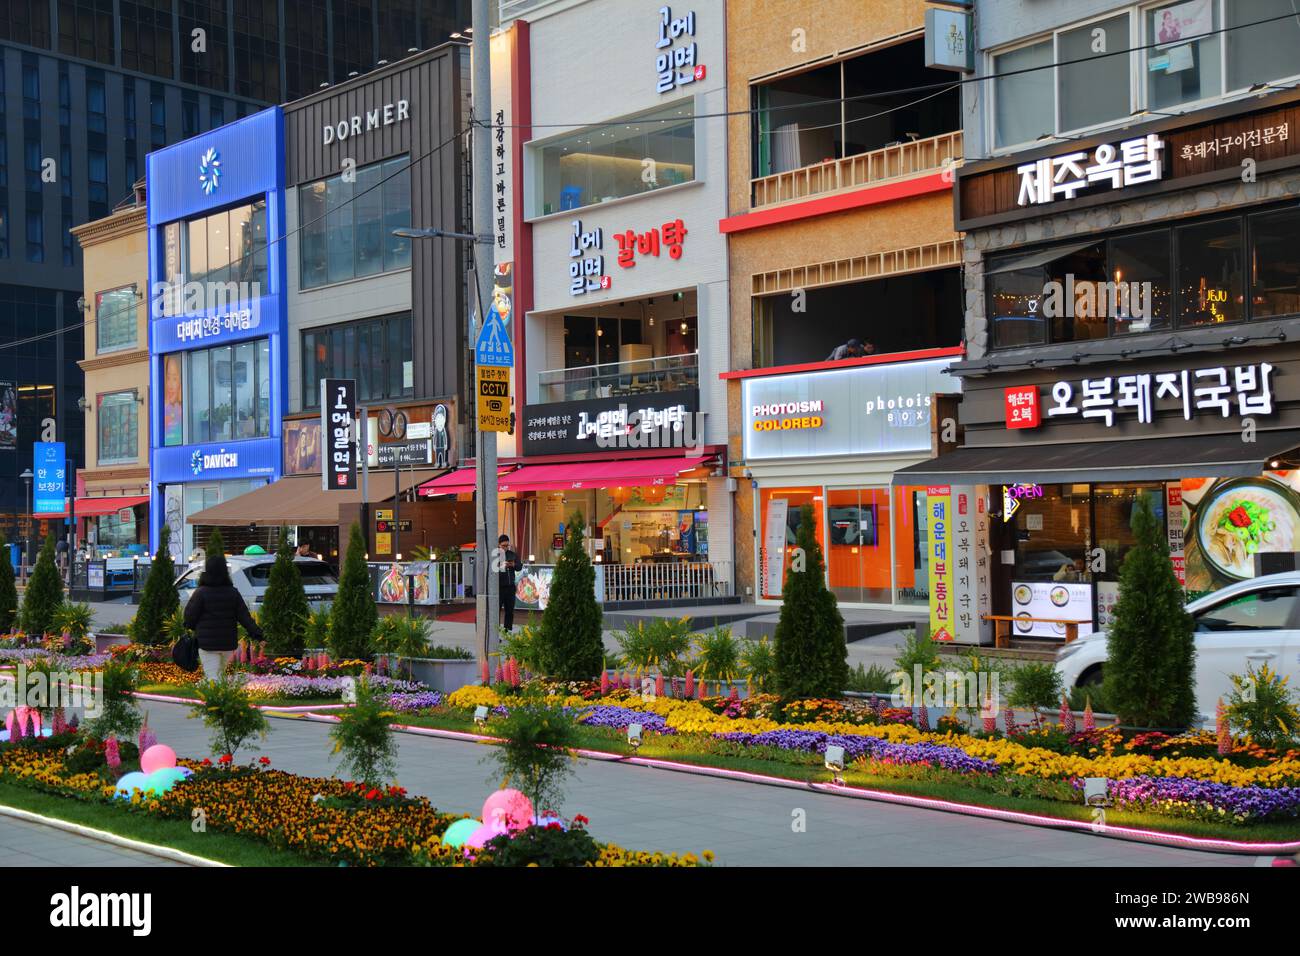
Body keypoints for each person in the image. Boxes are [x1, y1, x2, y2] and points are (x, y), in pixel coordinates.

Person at [184, 555, 263, 681]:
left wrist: (193, 628)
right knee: (220, 676)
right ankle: (222, 697)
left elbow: (189, 617)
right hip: (227, 643)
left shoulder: (201, 593)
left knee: (212, 677)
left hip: (207, 643)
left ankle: (215, 699)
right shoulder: (233, 592)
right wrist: (258, 635)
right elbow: (245, 618)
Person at [498, 533, 519, 632]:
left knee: (509, 610)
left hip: (510, 587)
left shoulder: (512, 554)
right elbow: (493, 570)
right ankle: (495, 631)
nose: (506, 548)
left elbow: (519, 567)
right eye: (503, 546)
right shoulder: (495, 554)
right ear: (499, 545)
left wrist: (513, 564)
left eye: (507, 545)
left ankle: (507, 630)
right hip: (499, 587)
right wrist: (503, 566)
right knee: (496, 610)